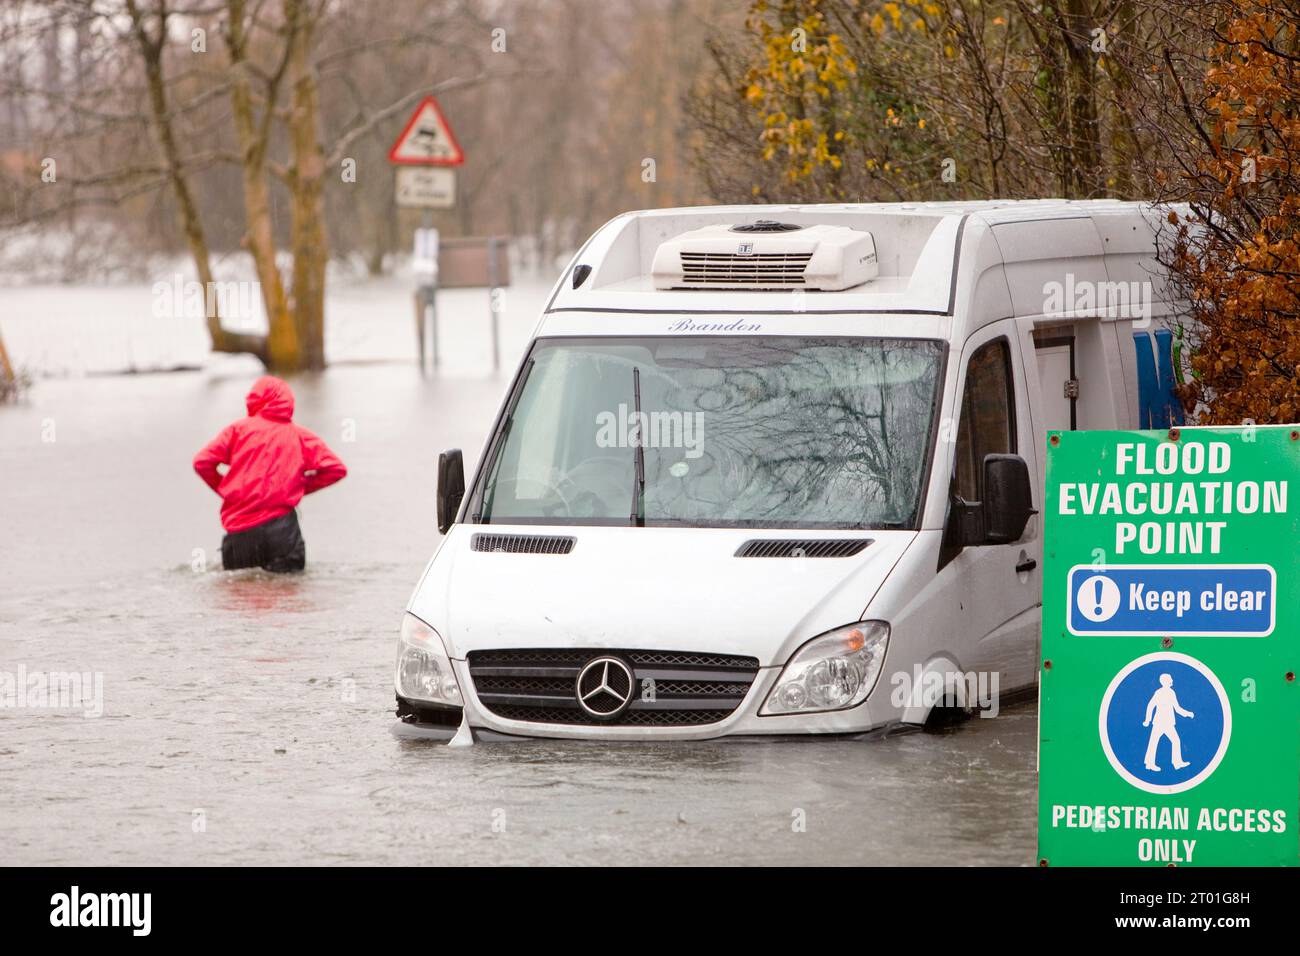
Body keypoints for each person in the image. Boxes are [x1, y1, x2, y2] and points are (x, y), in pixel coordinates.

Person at [193, 376, 347, 572]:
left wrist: (228, 490)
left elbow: (202, 462)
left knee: (238, 594)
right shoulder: (300, 435)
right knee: (288, 593)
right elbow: (336, 469)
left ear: (254, 400)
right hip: (282, 532)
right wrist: (295, 487)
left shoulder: (237, 431)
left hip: (241, 534)